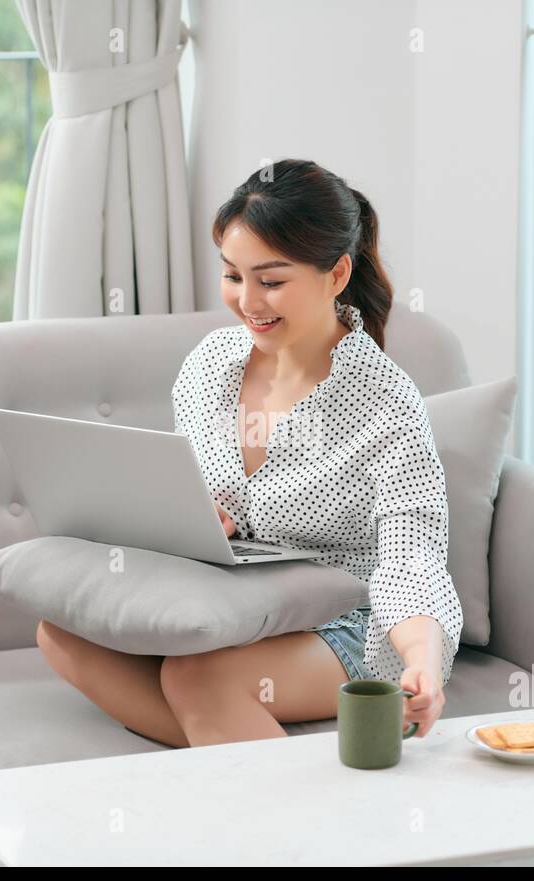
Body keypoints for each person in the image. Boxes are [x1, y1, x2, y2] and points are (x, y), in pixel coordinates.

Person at [36, 159, 462, 748]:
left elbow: (411, 557)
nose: (247, 300)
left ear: (337, 274)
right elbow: (207, 498)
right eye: (232, 275)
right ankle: (270, 753)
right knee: (61, 634)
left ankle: (278, 802)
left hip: (356, 620)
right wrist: (199, 519)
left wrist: (421, 658)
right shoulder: (210, 365)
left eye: (271, 279)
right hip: (238, 607)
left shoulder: (386, 402)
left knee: (196, 675)